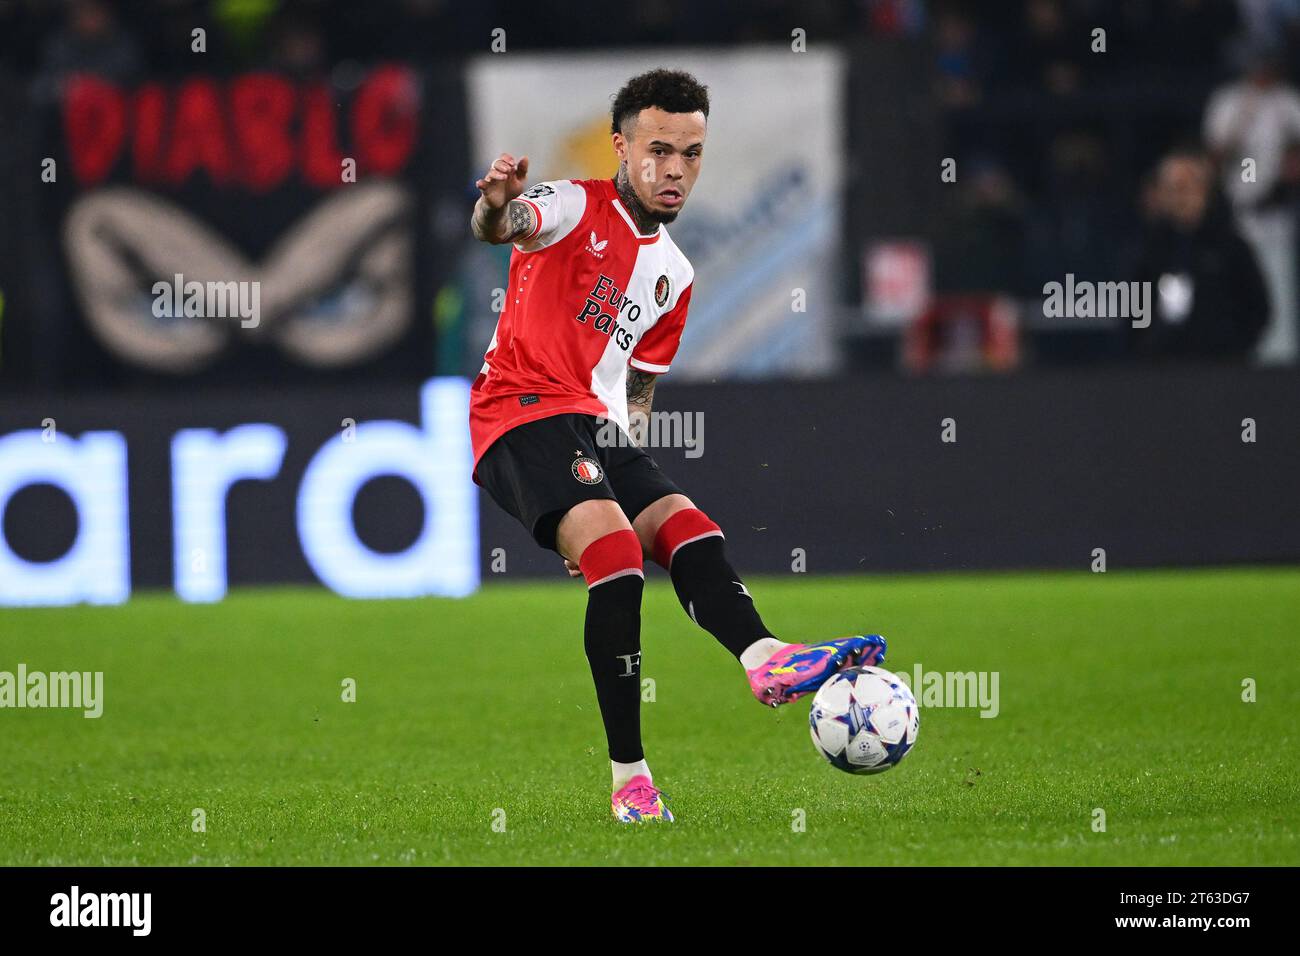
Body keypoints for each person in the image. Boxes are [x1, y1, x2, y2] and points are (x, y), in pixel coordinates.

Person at [467, 69, 885, 823]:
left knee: (686, 524)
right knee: (619, 555)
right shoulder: (572, 205)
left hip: (594, 427)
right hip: (519, 410)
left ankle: (765, 658)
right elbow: (504, 226)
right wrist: (496, 204)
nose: (675, 170)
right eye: (658, 150)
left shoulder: (674, 274)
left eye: (691, 154)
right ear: (621, 147)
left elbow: (637, 390)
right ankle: (630, 780)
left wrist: (602, 489)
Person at [1128, 149, 1268, 358]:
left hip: (1223, 367)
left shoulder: (1230, 247)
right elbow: (1132, 313)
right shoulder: (1149, 249)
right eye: (1172, 189)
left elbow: (1258, 308)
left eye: (1186, 187)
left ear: (1204, 190)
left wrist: (1235, 350)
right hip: (1163, 368)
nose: (1180, 197)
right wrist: (1149, 349)